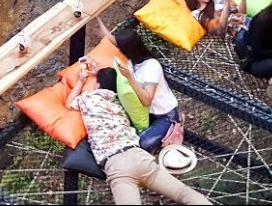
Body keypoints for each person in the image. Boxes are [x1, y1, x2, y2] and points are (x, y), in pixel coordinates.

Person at [66, 65, 212, 205]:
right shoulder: (121, 102)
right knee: (182, 193)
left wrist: (80, 81)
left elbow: (69, 103)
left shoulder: (89, 98)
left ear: (97, 85)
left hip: (117, 164)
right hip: (138, 156)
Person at [95, 19, 182, 154]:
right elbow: (111, 39)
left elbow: (147, 100)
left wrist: (130, 78)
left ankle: (169, 133)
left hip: (165, 115)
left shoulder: (151, 67)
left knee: (140, 145)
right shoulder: (132, 62)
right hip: (148, 113)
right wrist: (97, 18)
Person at [182, 0, 247, 36]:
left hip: (245, 21)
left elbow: (241, 12)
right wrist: (226, 3)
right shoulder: (198, 13)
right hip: (238, 33)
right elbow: (220, 29)